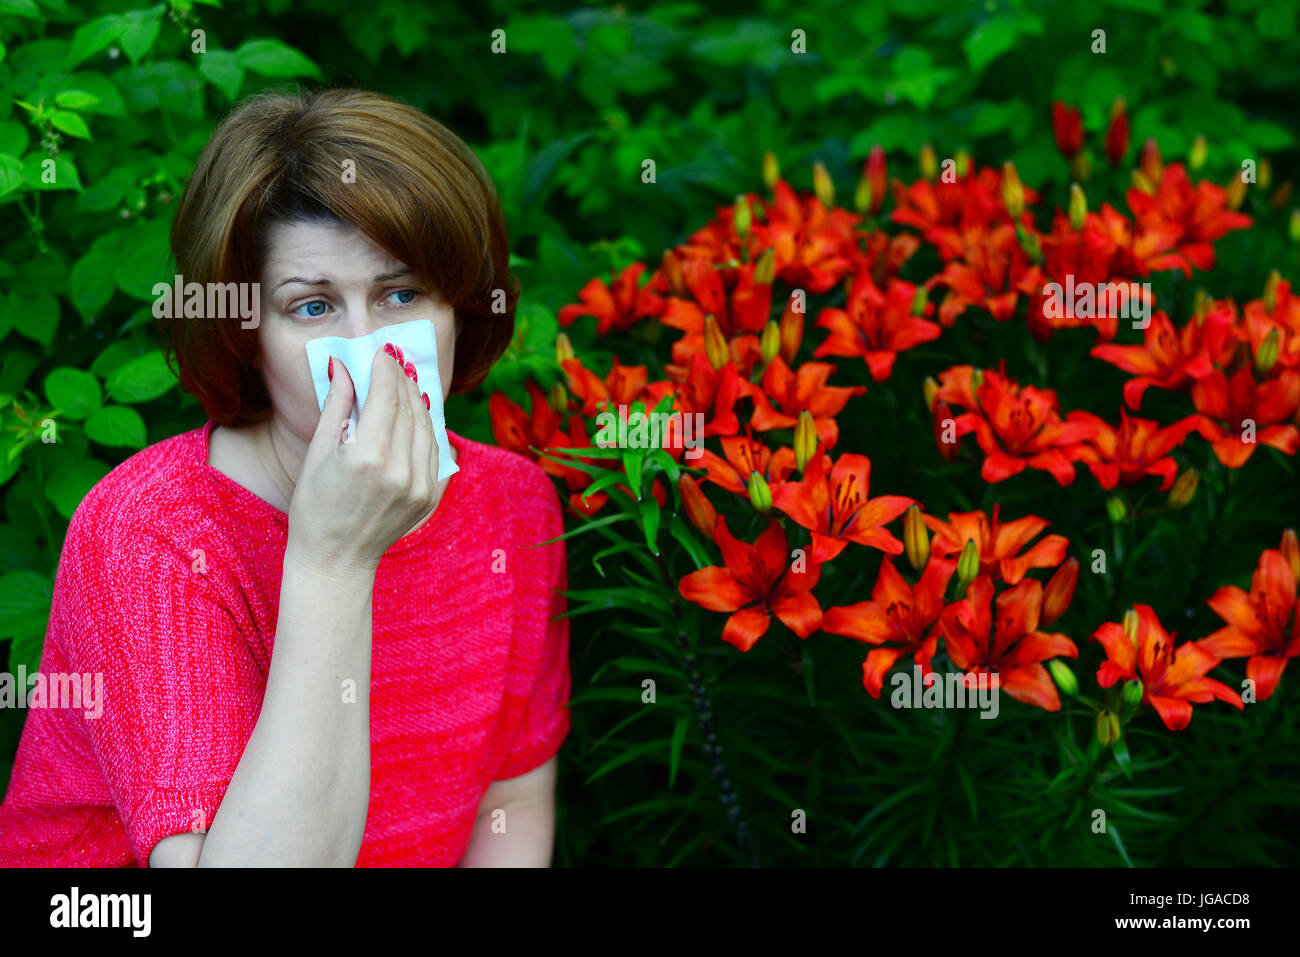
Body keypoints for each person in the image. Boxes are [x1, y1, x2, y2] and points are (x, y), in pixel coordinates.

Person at [0, 88, 571, 867]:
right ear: (248, 337)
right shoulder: (149, 533)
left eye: (402, 294)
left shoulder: (514, 505)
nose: (369, 347)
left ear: (459, 311)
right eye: (312, 309)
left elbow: (511, 798)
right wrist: (332, 559)